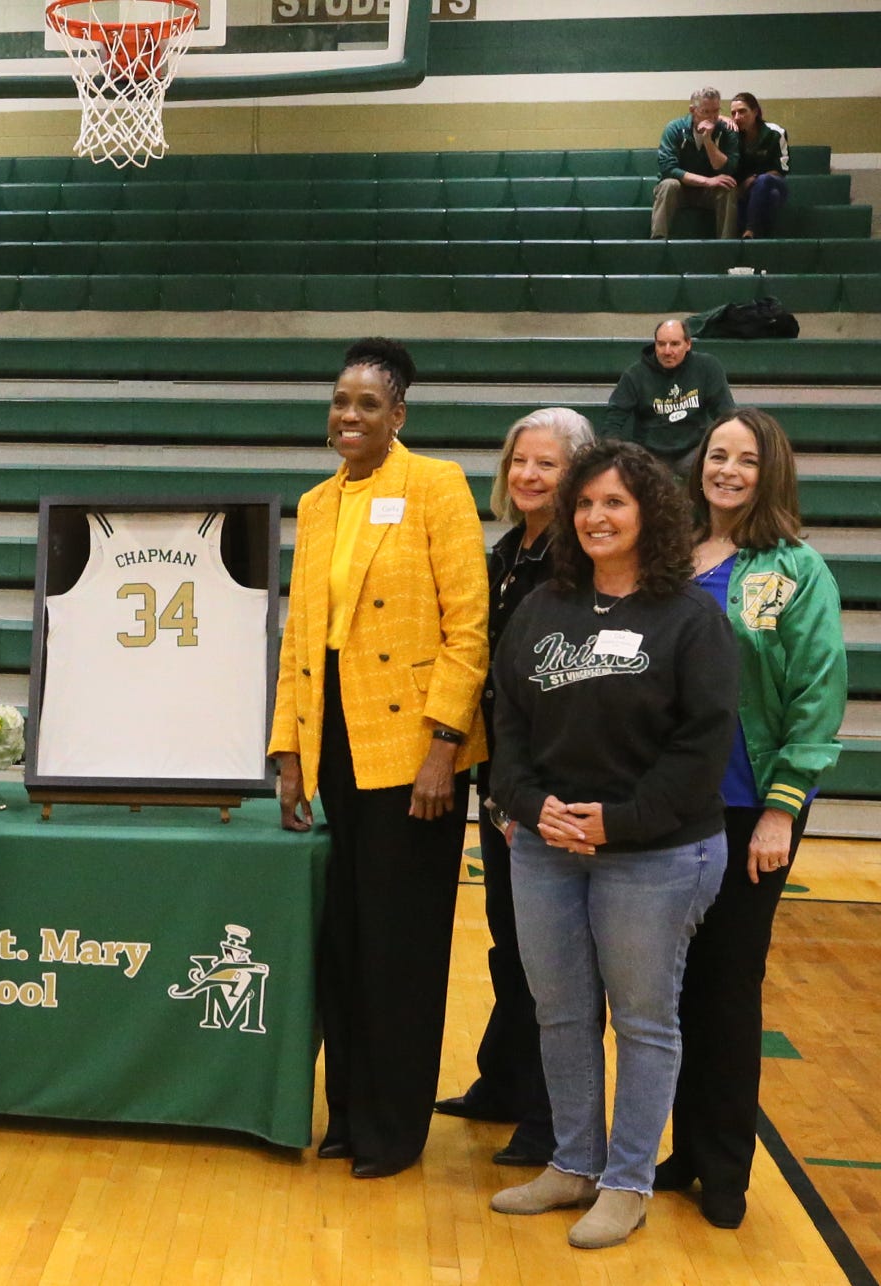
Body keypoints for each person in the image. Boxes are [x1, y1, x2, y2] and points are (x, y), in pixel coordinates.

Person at [489, 439, 737, 1250]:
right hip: (547, 846)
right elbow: (508, 723)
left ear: (649, 514)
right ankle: (574, 1164)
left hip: (656, 854)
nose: (597, 517)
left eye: (615, 503)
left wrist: (618, 822)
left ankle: (628, 1183)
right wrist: (533, 805)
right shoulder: (544, 607)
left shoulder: (690, 617)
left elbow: (702, 749)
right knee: (560, 1014)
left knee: (642, 1021)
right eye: (586, 504)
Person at [267, 338, 489, 1179]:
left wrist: (444, 746)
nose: (349, 415)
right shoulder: (318, 502)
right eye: (340, 401)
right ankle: (349, 1115)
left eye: (368, 403)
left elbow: (469, 627)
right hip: (337, 745)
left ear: (398, 415)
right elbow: (300, 637)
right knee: (346, 943)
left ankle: (394, 1130)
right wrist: (290, 753)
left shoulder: (436, 485)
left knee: (400, 947)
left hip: (413, 754)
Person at [656, 409, 846, 1228]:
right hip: (669, 809)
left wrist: (782, 810)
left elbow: (818, 694)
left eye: (746, 459)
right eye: (717, 455)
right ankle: (684, 1150)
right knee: (670, 991)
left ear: (771, 474)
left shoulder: (797, 570)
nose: (727, 470)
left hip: (747, 812)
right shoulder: (669, 557)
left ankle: (726, 1167)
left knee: (728, 990)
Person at [436, 408, 595, 1168]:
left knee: (551, 958)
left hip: (546, 784)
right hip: (499, 773)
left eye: (547, 464)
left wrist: (525, 788)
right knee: (510, 939)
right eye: (519, 461)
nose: (527, 475)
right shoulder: (506, 550)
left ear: (578, 475)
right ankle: (501, 1082)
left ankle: (548, 1120)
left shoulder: (577, 561)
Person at [600, 319, 736, 476]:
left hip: (694, 452)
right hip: (649, 456)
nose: (667, 351)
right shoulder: (635, 374)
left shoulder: (707, 367)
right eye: (661, 344)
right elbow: (614, 420)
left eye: (675, 344)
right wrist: (614, 454)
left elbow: (726, 415)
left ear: (688, 344)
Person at [652, 86, 739, 240]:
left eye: (716, 111)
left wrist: (707, 140)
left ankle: (726, 244)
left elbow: (727, 168)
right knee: (668, 185)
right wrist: (707, 181)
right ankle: (658, 241)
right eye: (706, 112)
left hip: (709, 193)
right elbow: (668, 169)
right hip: (681, 189)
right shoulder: (674, 129)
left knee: (728, 187)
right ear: (693, 110)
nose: (712, 117)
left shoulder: (726, 130)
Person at [730, 94, 792, 240]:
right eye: (733, 113)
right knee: (772, 197)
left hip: (773, 182)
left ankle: (750, 229)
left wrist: (754, 178)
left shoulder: (775, 132)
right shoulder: (732, 135)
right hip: (747, 190)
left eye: (742, 111)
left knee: (764, 181)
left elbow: (781, 170)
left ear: (755, 112)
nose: (737, 117)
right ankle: (757, 237)